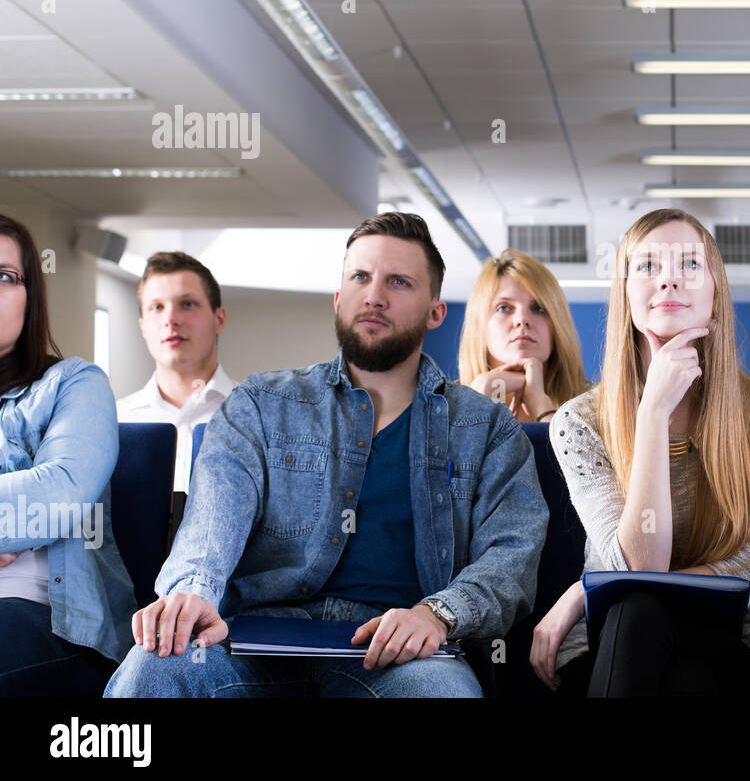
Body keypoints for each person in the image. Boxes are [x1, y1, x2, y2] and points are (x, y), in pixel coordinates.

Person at [105, 212, 548, 698]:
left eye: (398, 282)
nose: (374, 296)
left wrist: (438, 613)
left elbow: (512, 557)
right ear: (339, 299)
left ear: (435, 313)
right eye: (360, 277)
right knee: (152, 669)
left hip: (400, 649)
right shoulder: (260, 405)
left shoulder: (487, 428)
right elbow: (211, 522)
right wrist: (192, 591)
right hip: (254, 636)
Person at [528, 208, 750, 697]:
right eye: (648, 266)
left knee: (655, 627)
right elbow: (639, 566)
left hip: (733, 645)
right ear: (625, 294)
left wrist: (581, 590)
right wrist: (651, 414)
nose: (669, 280)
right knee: (644, 621)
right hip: (609, 642)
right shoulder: (577, 422)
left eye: (690, 265)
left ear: (716, 294)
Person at [0, 213, 136, 696]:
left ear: (31, 296)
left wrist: (29, 516)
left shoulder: (75, 383)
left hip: (46, 615)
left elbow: (58, 496)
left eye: (5, 276)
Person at [116, 252, 236, 535]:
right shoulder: (114, 421)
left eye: (187, 304)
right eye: (157, 307)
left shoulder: (256, 416)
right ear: (143, 327)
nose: (171, 319)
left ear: (219, 319)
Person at [458, 249, 586, 423]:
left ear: (557, 326)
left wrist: (544, 411)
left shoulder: (596, 405)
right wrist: (473, 405)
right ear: (481, 327)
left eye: (538, 308)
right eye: (504, 308)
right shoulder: (440, 406)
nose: (522, 320)